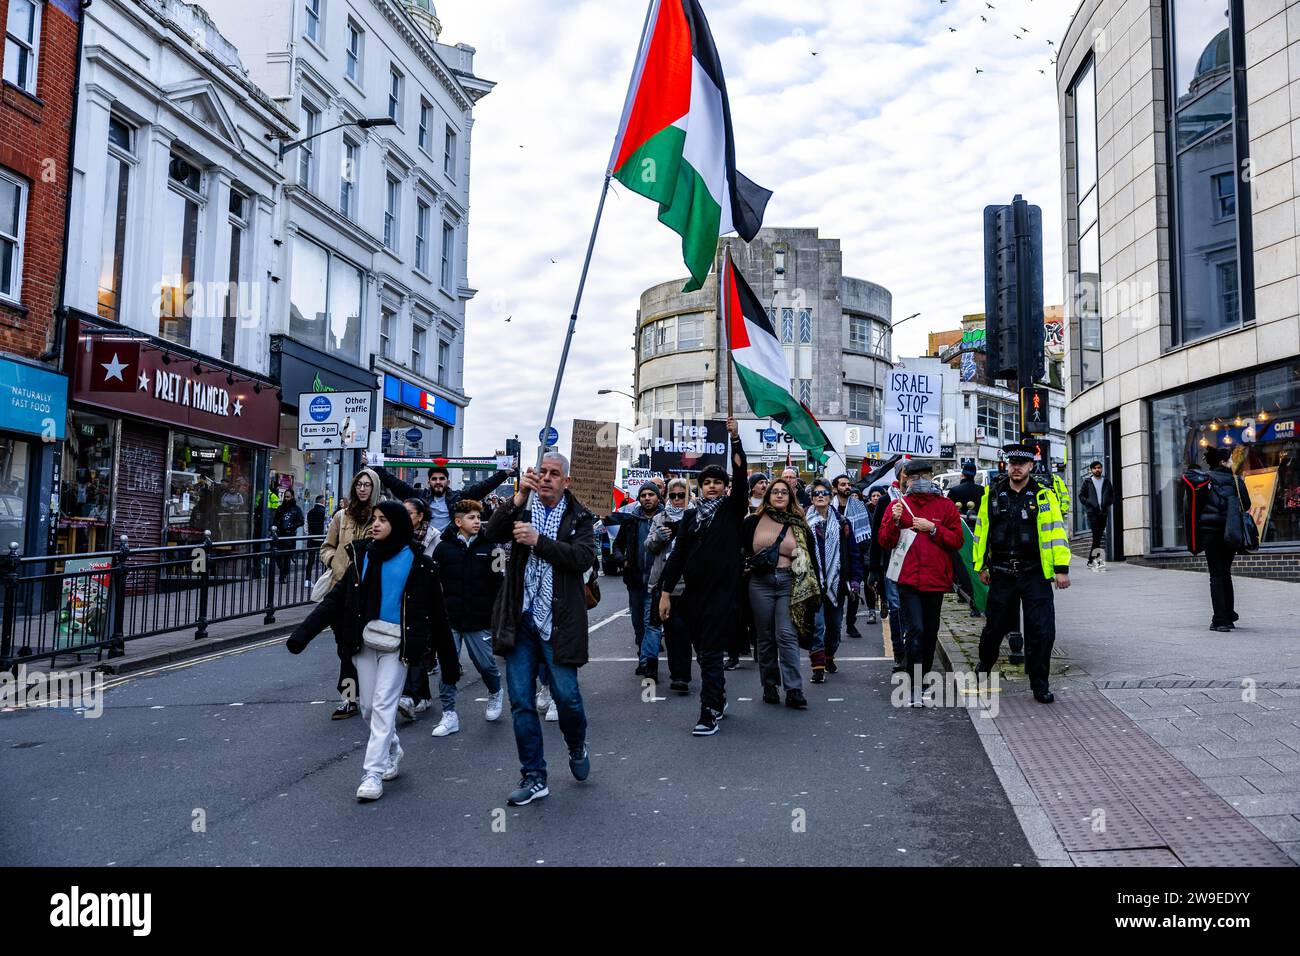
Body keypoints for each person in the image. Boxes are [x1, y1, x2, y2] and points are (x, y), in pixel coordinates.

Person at [286, 501, 460, 801]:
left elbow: (439, 617)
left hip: (398, 646)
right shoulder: (362, 555)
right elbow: (336, 600)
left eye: (383, 520)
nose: (375, 524)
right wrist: (302, 635)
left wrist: (449, 664)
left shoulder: (420, 564)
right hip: (363, 641)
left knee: (382, 705)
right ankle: (392, 747)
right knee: (367, 707)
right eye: (374, 519)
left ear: (398, 525)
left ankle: (373, 773)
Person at [485, 452, 598, 807]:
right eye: (542, 473)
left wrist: (539, 542)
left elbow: (582, 558)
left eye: (554, 474)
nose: (546, 478)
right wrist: (517, 498)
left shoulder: (580, 517)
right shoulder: (524, 507)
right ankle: (534, 775)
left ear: (566, 481)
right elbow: (491, 532)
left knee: (567, 697)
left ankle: (576, 742)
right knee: (521, 702)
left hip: (559, 622)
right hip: (521, 620)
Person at [659, 417, 749, 736]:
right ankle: (720, 697)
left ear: (725, 487)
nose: (712, 485)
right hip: (693, 597)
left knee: (711, 651)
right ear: (700, 487)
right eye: (707, 482)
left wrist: (735, 439)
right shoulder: (690, 516)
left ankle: (708, 711)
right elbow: (678, 555)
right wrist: (666, 593)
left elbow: (740, 472)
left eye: (717, 482)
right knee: (704, 651)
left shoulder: (732, 510)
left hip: (724, 595)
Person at [973, 444, 1072, 704]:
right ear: (1006, 465)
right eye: (1012, 462)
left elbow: (1056, 534)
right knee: (994, 628)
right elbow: (982, 532)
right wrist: (981, 566)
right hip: (1002, 572)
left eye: (1022, 463)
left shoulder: (1043, 495)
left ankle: (1040, 684)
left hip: (1034, 573)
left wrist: (1061, 569)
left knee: (1041, 631)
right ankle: (986, 661)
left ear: (1031, 467)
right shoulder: (992, 494)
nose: (1016, 467)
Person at [877, 460, 964, 707]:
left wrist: (933, 528)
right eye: (912, 478)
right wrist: (893, 522)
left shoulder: (946, 506)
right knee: (915, 631)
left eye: (923, 476)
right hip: (908, 581)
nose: (918, 482)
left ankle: (924, 676)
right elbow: (885, 541)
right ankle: (914, 683)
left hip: (936, 581)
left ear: (931, 477)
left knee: (929, 633)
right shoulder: (898, 506)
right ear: (906, 480)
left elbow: (957, 540)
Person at [428, 499, 506, 735]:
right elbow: (434, 583)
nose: (477, 522)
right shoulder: (442, 549)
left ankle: (495, 691)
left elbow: (501, 583)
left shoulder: (493, 547)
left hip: (479, 618)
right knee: (448, 667)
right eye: (471, 518)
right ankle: (449, 714)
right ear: (458, 521)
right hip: (450, 618)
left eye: (478, 517)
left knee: (485, 664)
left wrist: (497, 614)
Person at [741, 476, 819, 708]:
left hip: (789, 584)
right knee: (765, 637)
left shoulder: (799, 523)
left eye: (784, 492)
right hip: (760, 583)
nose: (779, 495)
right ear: (768, 496)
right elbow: (742, 550)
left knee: (786, 635)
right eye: (775, 491)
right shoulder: (752, 521)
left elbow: (811, 559)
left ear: (790, 497)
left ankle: (794, 689)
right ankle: (770, 685)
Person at [319, 468, 381, 719]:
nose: (362, 489)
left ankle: (373, 694)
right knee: (344, 649)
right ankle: (348, 698)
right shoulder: (341, 517)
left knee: (368, 647)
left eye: (367, 485)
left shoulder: (381, 517)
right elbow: (326, 547)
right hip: (340, 591)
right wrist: (334, 561)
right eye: (359, 484)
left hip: (368, 593)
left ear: (374, 488)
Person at [604, 483, 664, 680]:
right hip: (635, 580)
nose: (647, 498)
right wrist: (623, 559)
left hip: (656, 582)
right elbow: (618, 546)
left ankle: (650, 664)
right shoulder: (631, 521)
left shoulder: (667, 518)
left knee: (652, 624)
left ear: (658, 497)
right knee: (638, 623)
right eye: (643, 495)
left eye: (651, 494)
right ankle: (643, 656)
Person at [369, 456, 515, 534]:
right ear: (428, 482)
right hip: (423, 542)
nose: (438, 482)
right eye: (434, 479)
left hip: (449, 542)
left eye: (441, 479)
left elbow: (481, 488)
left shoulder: (458, 497)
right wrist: (375, 466)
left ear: (448, 481)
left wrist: (503, 474)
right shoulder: (419, 496)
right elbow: (396, 484)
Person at [807, 478, 863, 680]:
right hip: (813, 584)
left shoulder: (842, 523)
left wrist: (856, 579)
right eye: (816, 494)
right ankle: (818, 668)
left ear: (831, 498)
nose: (820, 496)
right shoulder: (804, 523)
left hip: (837, 584)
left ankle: (829, 656)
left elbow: (854, 553)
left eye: (824, 494)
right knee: (817, 626)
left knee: (834, 627)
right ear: (812, 499)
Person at [397, 497, 442, 719]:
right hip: (402, 596)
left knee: (418, 646)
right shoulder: (396, 536)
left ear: (420, 516)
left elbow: (437, 567)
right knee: (410, 647)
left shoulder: (433, 537)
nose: (404, 517)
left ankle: (411, 696)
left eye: (409, 513)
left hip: (424, 596)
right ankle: (421, 695)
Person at [645, 478, 692, 694]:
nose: (676, 500)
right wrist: (659, 537)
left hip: (690, 580)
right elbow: (649, 547)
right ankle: (679, 676)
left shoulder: (695, 516)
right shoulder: (659, 518)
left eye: (681, 495)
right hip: (665, 582)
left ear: (688, 495)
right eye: (672, 496)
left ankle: (695, 673)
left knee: (688, 630)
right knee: (673, 630)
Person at [1196, 447, 1250, 632]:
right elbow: (1247, 504)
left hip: (1210, 533)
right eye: (1230, 459)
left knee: (1216, 575)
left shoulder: (1203, 479)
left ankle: (1220, 620)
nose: (1232, 462)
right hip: (1230, 532)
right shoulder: (1236, 480)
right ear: (1222, 462)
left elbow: (1196, 506)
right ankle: (1228, 616)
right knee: (1225, 573)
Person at [868, 462, 909, 671]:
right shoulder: (886, 500)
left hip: (915, 563)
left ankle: (913, 649)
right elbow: (876, 535)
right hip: (891, 561)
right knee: (896, 607)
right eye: (906, 473)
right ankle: (899, 652)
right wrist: (874, 567)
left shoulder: (920, 500)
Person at [833, 474, 872, 636]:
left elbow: (868, 530)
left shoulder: (859, 506)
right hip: (835, 555)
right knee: (835, 591)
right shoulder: (830, 507)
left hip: (855, 555)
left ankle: (851, 623)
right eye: (842, 484)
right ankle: (834, 627)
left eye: (848, 484)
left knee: (854, 591)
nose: (847, 487)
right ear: (835, 489)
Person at [1078, 459, 1114, 567]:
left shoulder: (1106, 481)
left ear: (1101, 468)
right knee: (1097, 536)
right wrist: (1089, 503)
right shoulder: (1087, 482)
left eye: (1099, 467)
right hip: (1092, 513)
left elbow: (1112, 495)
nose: (1097, 470)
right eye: (1095, 468)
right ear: (1091, 470)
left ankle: (1091, 561)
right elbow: (1081, 496)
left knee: (1097, 538)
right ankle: (1097, 561)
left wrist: (1107, 503)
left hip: (1103, 513)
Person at [272, 488, 305, 579]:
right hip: (280, 534)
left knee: (286, 556)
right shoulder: (280, 508)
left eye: (288, 497)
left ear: (292, 497)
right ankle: (283, 572)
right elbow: (276, 519)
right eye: (285, 497)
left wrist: (291, 526)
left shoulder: (296, 509)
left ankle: (283, 574)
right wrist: (274, 527)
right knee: (278, 556)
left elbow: (301, 521)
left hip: (289, 535)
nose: (286, 498)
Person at [946, 461, 985, 529]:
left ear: (962, 474)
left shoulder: (954, 490)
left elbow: (947, 512)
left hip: (959, 527)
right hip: (978, 527)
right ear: (974, 475)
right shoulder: (982, 490)